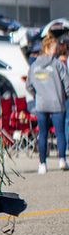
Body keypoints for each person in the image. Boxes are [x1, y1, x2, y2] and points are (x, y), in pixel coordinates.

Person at [26, 36, 69, 176]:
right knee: (60, 133)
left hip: (41, 104)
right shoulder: (58, 64)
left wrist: (37, 95)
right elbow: (67, 84)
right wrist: (65, 95)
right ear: (47, 48)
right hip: (57, 102)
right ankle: (62, 159)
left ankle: (42, 164)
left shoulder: (34, 65)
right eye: (54, 47)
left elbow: (29, 85)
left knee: (42, 134)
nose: (56, 50)